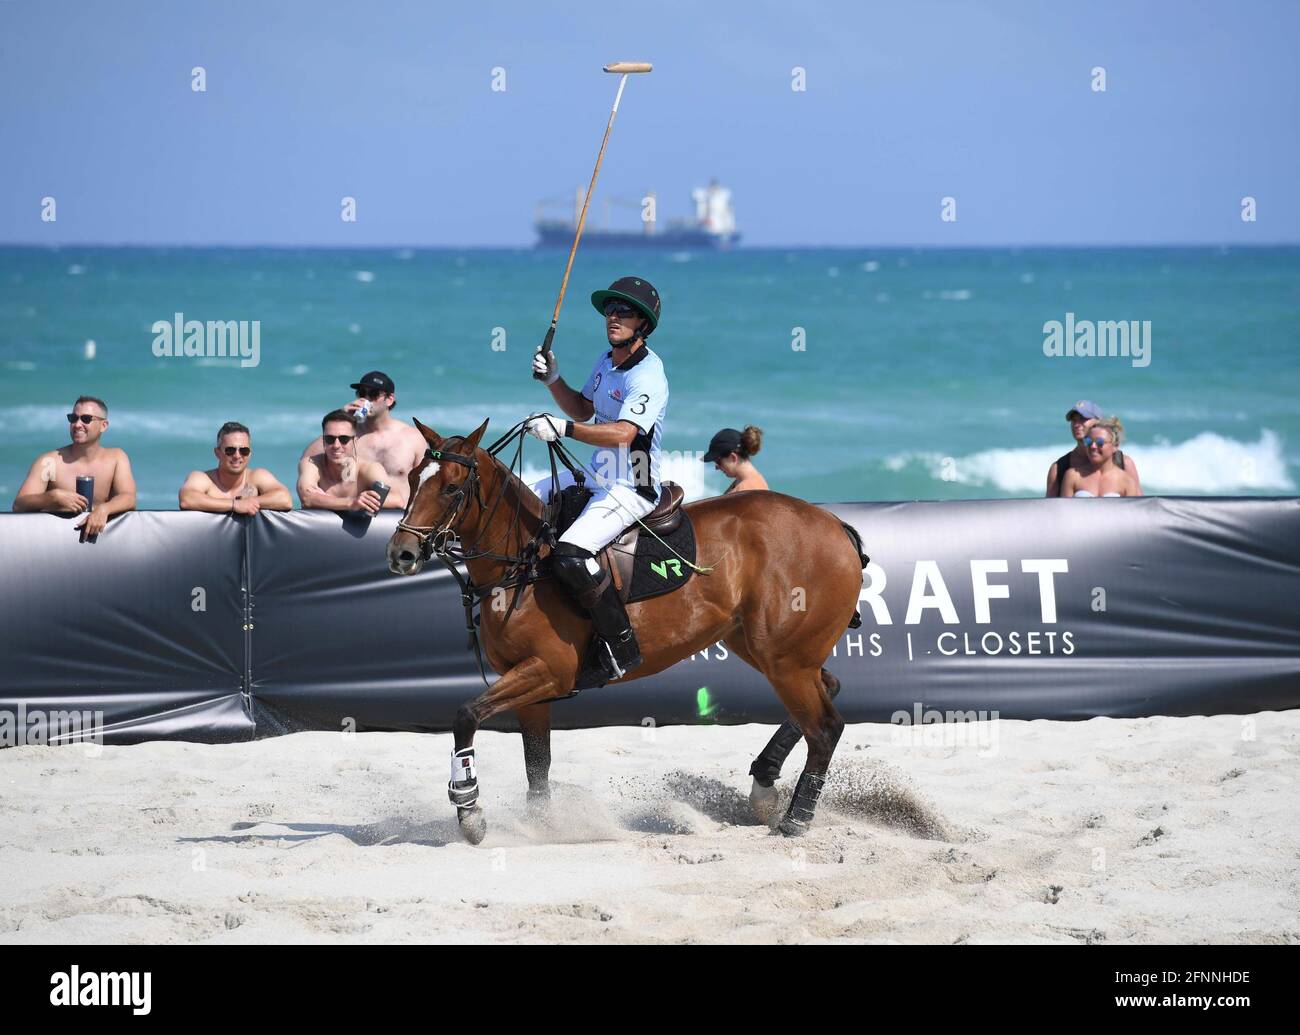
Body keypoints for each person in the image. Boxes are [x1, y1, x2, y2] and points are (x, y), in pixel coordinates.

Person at [526, 276, 669, 680]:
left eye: (622, 311)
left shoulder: (649, 375)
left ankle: (621, 647)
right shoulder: (607, 361)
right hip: (597, 478)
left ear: (643, 323)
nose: (613, 317)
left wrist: (562, 430)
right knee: (520, 500)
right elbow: (582, 409)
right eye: (609, 310)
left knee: (571, 553)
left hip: (633, 487)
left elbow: (625, 434)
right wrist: (554, 380)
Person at [12, 395, 137, 537]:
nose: (77, 424)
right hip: (58, 541)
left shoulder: (116, 458)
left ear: (104, 425)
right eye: (73, 418)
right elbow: (19, 505)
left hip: (102, 543)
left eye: (86, 419)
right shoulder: (49, 462)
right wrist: (53, 497)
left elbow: (128, 498)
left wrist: (103, 510)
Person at [298, 371, 425, 509]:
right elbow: (308, 458)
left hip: (399, 518)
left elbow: (428, 484)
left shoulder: (412, 438)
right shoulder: (348, 438)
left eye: (374, 394)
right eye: (362, 393)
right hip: (359, 517)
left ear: (389, 399)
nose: (367, 399)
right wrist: (342, 416)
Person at [179, 422, 292, 513]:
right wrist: (234, 505)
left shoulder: (256, 477)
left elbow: (285, 499)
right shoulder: (204, 478)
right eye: (230, 450)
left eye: (244, 451)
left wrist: (251, 501)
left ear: (250, 454)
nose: (237, 455)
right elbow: (187, 500)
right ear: (217, 453)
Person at [298, 410, 399, 512]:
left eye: (344, 439)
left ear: (354, 441)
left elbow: (397, 499)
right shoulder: (311, 464)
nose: (336, 445)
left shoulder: (367, 469)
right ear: (323, 442)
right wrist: (352, 502)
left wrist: (324, 500)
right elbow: (307, 499)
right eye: (330, 439)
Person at [1046, 399, 1140, 497]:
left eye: (1083, 419)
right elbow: (1051, 509)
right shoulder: (1060, 468)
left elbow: (1139, 505)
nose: (1077, 425)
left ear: (1099, 421)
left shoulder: (1123, 463)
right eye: (1074, 420)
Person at [1060, 418, 1142, 497]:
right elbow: (1062, 510)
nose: (1093, 446)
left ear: (1115, 446)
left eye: (1100, 442)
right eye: (1088, 441)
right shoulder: (1073, 476)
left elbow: (1133, 510)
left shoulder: (1126, 481)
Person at [703, 425, 768, 493]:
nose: (717, 467)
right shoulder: (749, 481)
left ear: (733, 457)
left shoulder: (743, 491)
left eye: (718, 461)